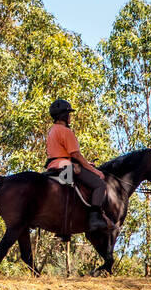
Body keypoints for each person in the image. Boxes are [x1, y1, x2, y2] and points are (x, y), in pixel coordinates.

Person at [45, 99, 112, 232]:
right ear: (63, 115)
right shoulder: (65, 131)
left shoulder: (52, 130)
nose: (70, 117)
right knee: (100, 184)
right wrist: (93, 170)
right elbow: (75, 155)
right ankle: (94, 219)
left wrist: (86, 163)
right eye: (68, 114)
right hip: (66, 166)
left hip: (52, 166)